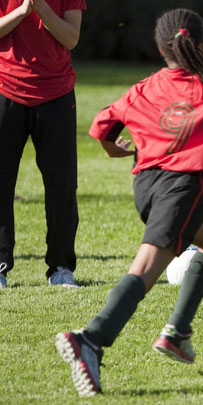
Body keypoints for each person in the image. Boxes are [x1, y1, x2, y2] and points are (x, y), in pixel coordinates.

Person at [55, 8, 203, 396]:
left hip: (147, 188)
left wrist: (114, 150)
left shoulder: (145, 86)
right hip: (183, 189)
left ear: (162, 50)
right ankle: (91, 340)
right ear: (202, 45)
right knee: (146, 268)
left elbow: (101, 124)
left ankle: (178, 332)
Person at [0, 0, 87, 289]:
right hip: (5, 89)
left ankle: (61, 268)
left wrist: (41, 8)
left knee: (62, 185)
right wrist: (22, 10)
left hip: (57, 93)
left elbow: (71, 38)